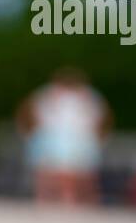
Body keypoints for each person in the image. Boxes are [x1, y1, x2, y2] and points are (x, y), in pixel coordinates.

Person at [17, 68, 112, 205]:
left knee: (79, 173)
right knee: (49, 171)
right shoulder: (47, 95)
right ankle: (49, 199)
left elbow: (100, 118)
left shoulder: (89, 97)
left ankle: (72, 200)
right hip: (54, 138)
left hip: (76, 139)